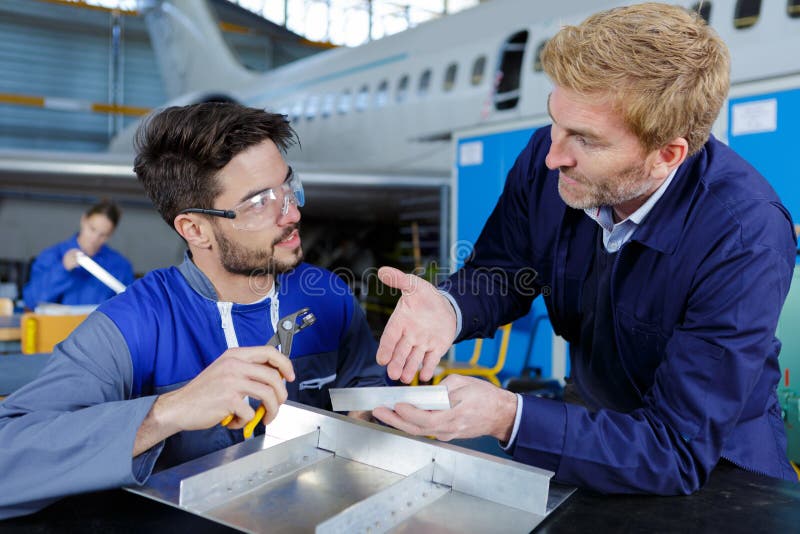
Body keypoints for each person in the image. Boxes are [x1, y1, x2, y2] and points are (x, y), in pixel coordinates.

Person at [372, 3, 798, 495]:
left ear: (667, 155)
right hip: (587, 432)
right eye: (556, 121)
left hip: (715, 476)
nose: (554, 154)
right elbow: (506, 267)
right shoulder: (546, 159)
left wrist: (508, 416)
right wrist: (451, 307)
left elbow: (677, 450)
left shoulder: (742, 236)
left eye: (586, 140)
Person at [0, 103, 385, 518]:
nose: (292, 213)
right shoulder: (132, 327)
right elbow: (9, 455)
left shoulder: (329, 297)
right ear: (195, 229)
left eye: (288, 188)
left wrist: (385, 412)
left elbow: (361, 390)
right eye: (259, 202)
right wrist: (166, 412)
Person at [22, 199, 134, 309]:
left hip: (97, 327)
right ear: (84, 220)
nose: (94, 239)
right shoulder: (52, 256)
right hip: (57, 327)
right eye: (92, 229)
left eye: (103, 235)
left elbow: (128, 308)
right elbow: (31, 301)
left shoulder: (120, 266)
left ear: (111, 234)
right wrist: (62, 269)